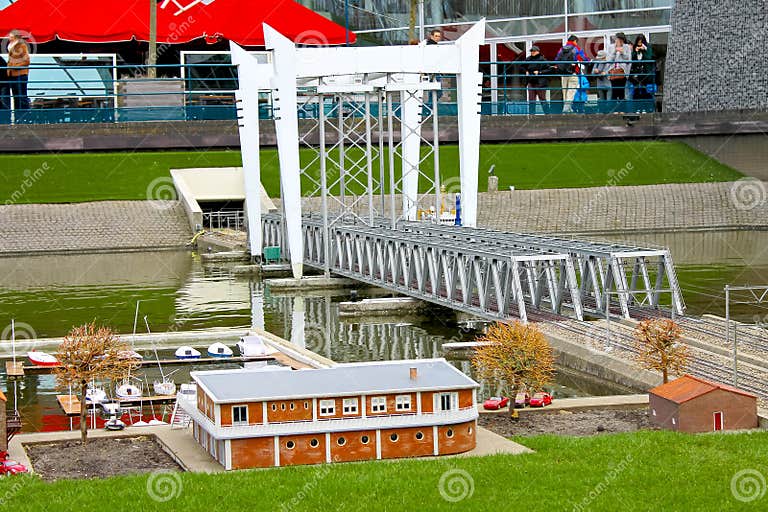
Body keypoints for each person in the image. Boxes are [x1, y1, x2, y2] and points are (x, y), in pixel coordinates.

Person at [555, 35, 587, 113]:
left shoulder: (561, 49)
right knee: (571, 92)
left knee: (565, 92)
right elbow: (584, 58)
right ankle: (566, 109)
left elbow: (556, 59)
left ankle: (568, 109)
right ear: (575, 41)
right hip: (573, 73)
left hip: (563, 74)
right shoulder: (576, 49)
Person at [606, 32, 631, 110]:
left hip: (622, 72)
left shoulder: (626, 47)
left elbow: (628, 59)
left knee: (621, 92)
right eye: (616, 39)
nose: (617, 41)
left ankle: (622, 110)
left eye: (619, 39)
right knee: (614, 92)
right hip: (613, 71)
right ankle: (614, 110)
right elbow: (608, 60)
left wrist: (622, 52)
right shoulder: (611, 47)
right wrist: (614, 51)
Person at [522, 45, 550, 115]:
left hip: (540, 82)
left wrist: (539, 72)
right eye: (531, 51)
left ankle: (547, 114)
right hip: (531, 81)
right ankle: (532, 115)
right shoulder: (528, 59)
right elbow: (521, 66)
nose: (532, 52)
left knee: (542, 98)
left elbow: (549, 69)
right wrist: (526, 71)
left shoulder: (542, 59)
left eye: (534, 51)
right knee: (531, 99)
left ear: (538, 51)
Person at [7, 31, 30, 110]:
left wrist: (15, 66)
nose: (9, 38)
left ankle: (24, 114)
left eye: (11, 37)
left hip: (20, 74)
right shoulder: (12, 46)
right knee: (16, 97)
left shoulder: (21, 46)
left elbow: (26, 61)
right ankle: (18, 114)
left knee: (21, 96)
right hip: (13, 74)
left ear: (15, 37)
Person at [631, 34, 655, 108]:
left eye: (641, 42)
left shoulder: (648, 47)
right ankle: (636, 107)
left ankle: (646, 107)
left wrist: (644, 50)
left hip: (645, 72)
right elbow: (632, 59)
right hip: (637, 72)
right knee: (636, 90)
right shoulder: (635, 48)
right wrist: (635, 52)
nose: (639, 44)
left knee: (645, 89)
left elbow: (649, 58)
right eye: (638, 42)